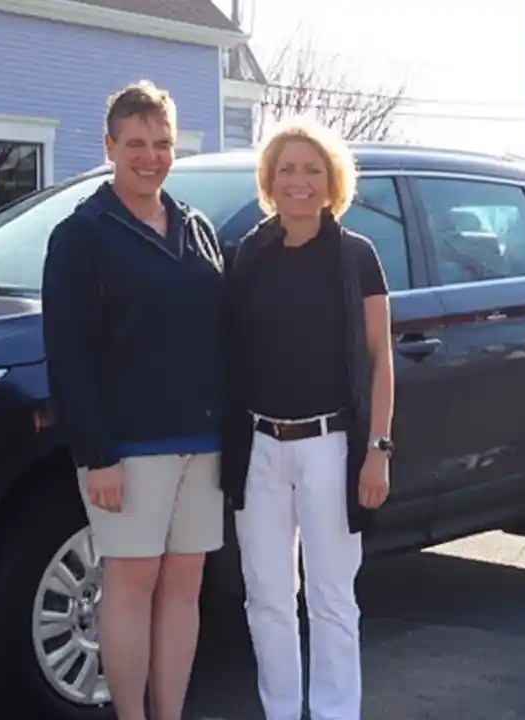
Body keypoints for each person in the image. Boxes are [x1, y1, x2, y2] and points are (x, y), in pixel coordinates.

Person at [41, 80, 227, 720]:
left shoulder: (196, 227)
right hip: (127, 448)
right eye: (137, 143)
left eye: (163, 143)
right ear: (110, 146)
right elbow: (69, 353)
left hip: (202, 446)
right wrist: (96, 455)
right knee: (130, 586)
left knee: (184, 588)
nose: (151, 156)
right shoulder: (82, 236)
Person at [220, 116, 395, 720]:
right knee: (266, 597)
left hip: (333, 448)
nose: (299, 181)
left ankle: (335, 712)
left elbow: (380, 358)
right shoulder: (247, 257)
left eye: (312, 169)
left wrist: (378, 448)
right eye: (288, 169)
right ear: (270, 179)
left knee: (331, 598)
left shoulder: (357, 258)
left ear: (332, 182)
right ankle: (281, 710)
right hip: (260, 450)